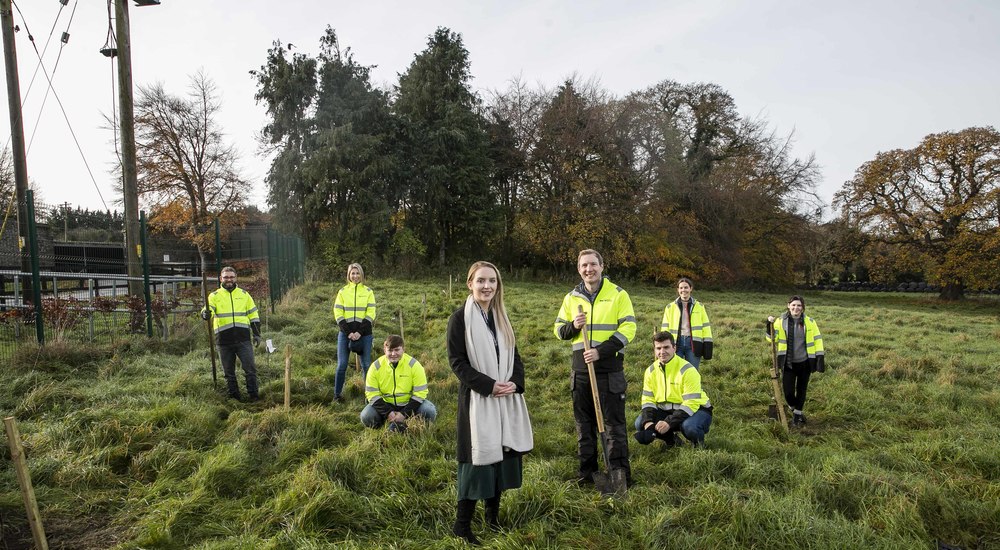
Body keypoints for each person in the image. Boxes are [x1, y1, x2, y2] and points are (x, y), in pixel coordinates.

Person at [447, 261, 533, 545]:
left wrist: (514, 383)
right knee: (476, 462)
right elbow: (457, 362)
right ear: (470, 283)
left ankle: (492, 519)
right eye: (481, 281)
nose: (487, 286)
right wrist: (488, 386)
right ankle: (462, 526)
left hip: (505, 400)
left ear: (498, 286)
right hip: (477, 401)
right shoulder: (460, 319)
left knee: (501, 458)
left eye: (492, 281)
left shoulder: (502, 318)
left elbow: (515, 356)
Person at [554, 249, 636, 486]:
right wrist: (573, 325)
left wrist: (601, 351)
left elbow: (629, 329)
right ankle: (587, 473)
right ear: (579, 269)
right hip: (581, 371)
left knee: (613, 424)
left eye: (592, 264)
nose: (588, 269)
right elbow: (558, 330)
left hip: (609, 369)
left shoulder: (618, 294)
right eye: (583, 266)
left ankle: (619, 473)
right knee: (584, 425)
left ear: (602, 266)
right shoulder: (571, 298)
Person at [634, 332, 713, 448]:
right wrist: (648, 423)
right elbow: (648, 400)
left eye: (666, 347)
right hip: (668, 411)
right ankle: (673, 441)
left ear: (674, 348)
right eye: (658, 348)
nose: (662, 352)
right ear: (654, 350)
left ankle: (698, 445)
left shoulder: (688, 370)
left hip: (697, 410)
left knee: (690, 427)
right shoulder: (650, 371)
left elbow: (691, 403)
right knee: (640, 422)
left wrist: (668, 422)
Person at [201, 266, 262, 401]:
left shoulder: (244, 295)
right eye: (226, 277)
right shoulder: (214, 296)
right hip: (223, 340)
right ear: (220, 279)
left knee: (250, 370)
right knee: (229, 373)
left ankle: (254, 396)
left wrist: (257, 334)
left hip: (243, 339)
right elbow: (207, 309)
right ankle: (234, 398)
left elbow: (254, 315)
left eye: (231, 277)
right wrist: (205, 313)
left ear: (236, 278)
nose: (229, 279)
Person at [766, 295, 825, 426]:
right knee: (788, 392)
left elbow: (817, 339)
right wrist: (768, 324)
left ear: (803, 308)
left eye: (799, 306)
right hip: (788, 363)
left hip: (805, 362)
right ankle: (795, 410)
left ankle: (797, 415)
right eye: (793, 305)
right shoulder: (780, 321)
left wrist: (819, 358)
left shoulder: (810, 322)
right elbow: (771, 339)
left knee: (802, 389)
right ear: (788, 306)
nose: (796, 308)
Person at [360, 335, 437, 431]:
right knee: (366, 416)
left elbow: (420, 394)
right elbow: (372, 394)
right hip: (386, 404)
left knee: (429, 411)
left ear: (403, 349)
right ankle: (389, 422)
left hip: (408, 403)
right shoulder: (375, 367)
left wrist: (404, 414)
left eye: (397, 350)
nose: (393, 354)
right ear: (385, 350)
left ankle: (407, 423)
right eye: (390, 350)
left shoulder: (414, 365)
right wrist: (388, 413)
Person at [332, 263, 377, 403]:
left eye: (358, 273)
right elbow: (338, 312)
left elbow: (371, 313)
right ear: (349, 275)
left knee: (366, 365)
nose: (355, 276)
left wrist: (359, 332)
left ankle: (369, 396)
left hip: (364, 334)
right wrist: (348, 332)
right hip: (345, 334)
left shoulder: (369, 292)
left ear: (362, 275)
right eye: (353, 273)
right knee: (342, 365)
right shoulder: (342, 292)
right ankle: (337, 395)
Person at [659, 277, 713, 369]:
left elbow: (706, 327)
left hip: (693, 344)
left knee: (692, 371)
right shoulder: (669, 307)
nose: (683, 290)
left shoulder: (700, 307)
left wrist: (707, 345)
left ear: (690, 288)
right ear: (678, 290)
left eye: (686, 287)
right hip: (675, 343)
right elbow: (665, 328)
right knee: (674, 370)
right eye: (681, 288)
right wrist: (663, 344)